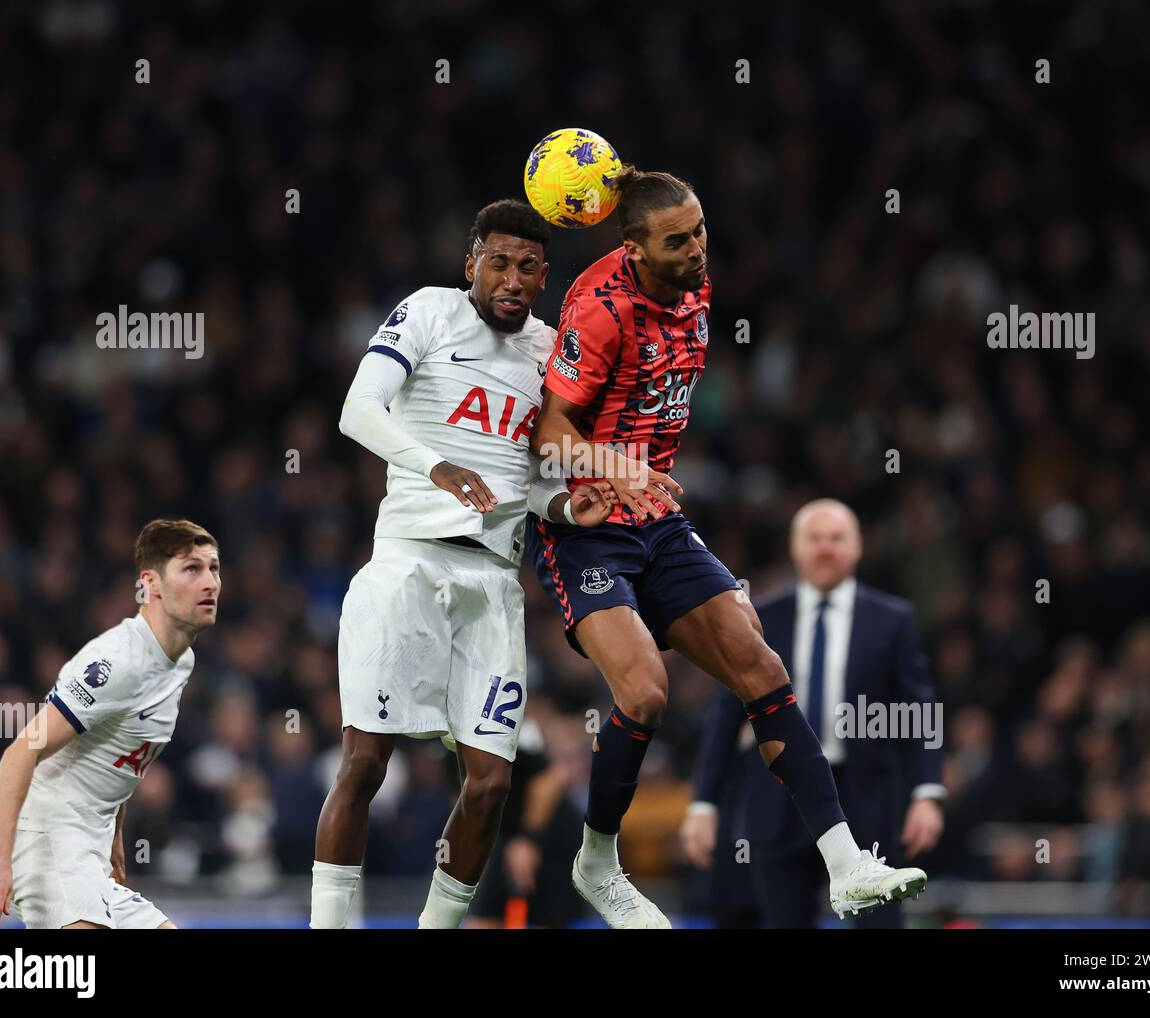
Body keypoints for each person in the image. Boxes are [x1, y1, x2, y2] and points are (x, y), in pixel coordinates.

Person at [528, 167, 926, 928]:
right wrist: (613, 463)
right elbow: (549, 435)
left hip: (660, 518)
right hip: (587, 527)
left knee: (762, 668)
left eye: (700, 230)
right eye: (677, 241)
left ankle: (846, 867)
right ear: (633, 248)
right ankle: (596, 859)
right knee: (645, 691)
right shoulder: (600, 310)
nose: (697, 250)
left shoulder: (695, 285)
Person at [310, 199, 617, 929]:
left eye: (529, 266)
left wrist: (567, 509)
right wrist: (436, 466)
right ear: (470, 263)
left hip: (492, 583)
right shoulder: (429, 311)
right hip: (407, 563)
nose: (513, 278)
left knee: (490, 783)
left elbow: (530, 477)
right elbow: (358, 409)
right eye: (499, 262)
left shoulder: (550, 350)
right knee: (365, 764)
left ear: (545, 275)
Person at [682, 500, 945, 927]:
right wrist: (703, 803)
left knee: (880, 923)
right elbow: (724, 716)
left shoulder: (893, 620)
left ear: (858, 547)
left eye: (837, 538)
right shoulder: (757, 617)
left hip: (869, 797)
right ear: (794, 547)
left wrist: (927, 794)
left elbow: (919, 712)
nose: (826, 548)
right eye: (815, 538)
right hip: (778, 797)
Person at [0, 518, 221, 929]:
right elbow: (21, 750)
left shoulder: (180, 662)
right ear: (151, 583)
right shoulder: (118, 661)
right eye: (192, 568)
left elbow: (118, 747)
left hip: (88, 847)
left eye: (214, 568)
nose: (209, 582)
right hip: (46, 836)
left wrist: (115, 831)